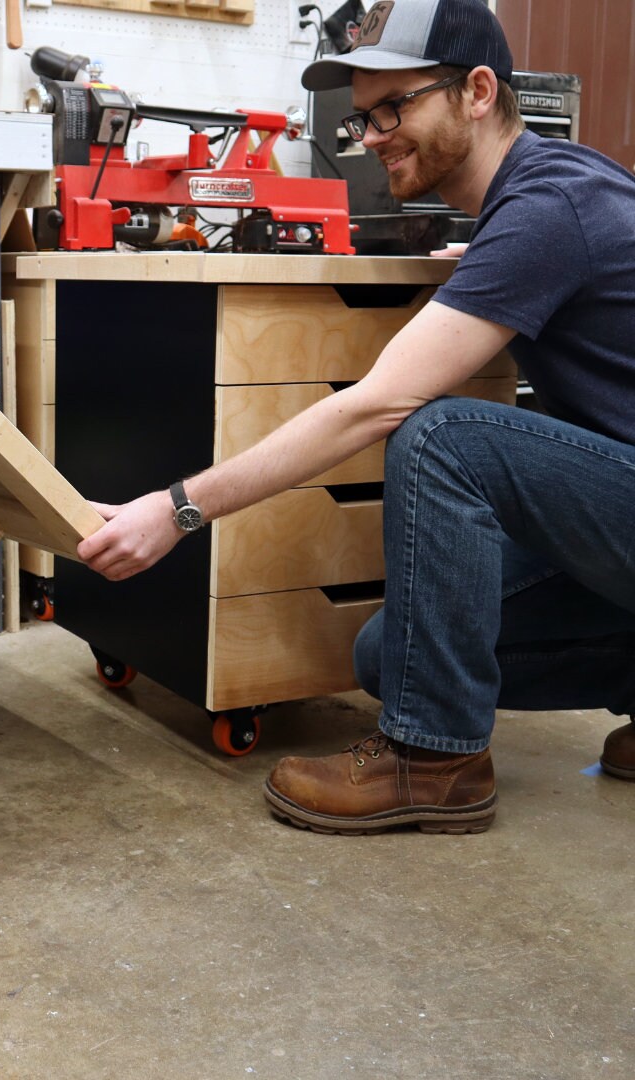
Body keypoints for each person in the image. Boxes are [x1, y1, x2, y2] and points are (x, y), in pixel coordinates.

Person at [76, 0, 635, 834]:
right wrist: (486, 255)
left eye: (393, 108)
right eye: (362, 117)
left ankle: (437, 759)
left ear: (478, 91)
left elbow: (375, 403)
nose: (370, 135)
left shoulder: (548, 212)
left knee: (441, 435)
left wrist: (179, 508)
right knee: (391, 658)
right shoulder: (545, 195)